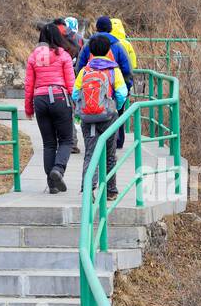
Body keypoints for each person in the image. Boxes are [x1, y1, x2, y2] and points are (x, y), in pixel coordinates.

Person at [73, 33, 129, 200]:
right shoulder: (114, 70)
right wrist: (116, 108)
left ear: (90, 50)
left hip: (89, 119)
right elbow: (122, 93)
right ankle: (111, 191)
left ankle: (88, 189)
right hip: (108, 117)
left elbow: (76, 94)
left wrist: (83, 109)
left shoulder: (84, 70)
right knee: (110, 154)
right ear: (107, 50)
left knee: (90, 153)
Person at [24, 22, 75, 193]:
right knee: (66, 140)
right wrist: (75, 103)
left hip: (40, 99)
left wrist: (28, 108)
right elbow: (71, 83)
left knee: (48, 143)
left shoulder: (33, 57)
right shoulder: (63, 55)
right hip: (60, 97)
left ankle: (52, 185)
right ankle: (58, 170)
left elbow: (28, 85)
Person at [76, 16, 134, 150]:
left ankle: (94, 143)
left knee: (93, 112)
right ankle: (116, 143)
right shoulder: (118, 46)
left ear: (96, 28)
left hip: (91, 88)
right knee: (116, 114)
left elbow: (79, 67)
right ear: (111, 29)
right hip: (113, 89)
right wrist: (126, 87)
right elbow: (127, 69)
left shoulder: (88, 45)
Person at [53, 17, 83, 154]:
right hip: (73, 79)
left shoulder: (54, 38)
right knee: (70, 111)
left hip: (56, 80)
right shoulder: (79, 39)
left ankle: (58, 141)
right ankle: (71, 142)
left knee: (57, 112)